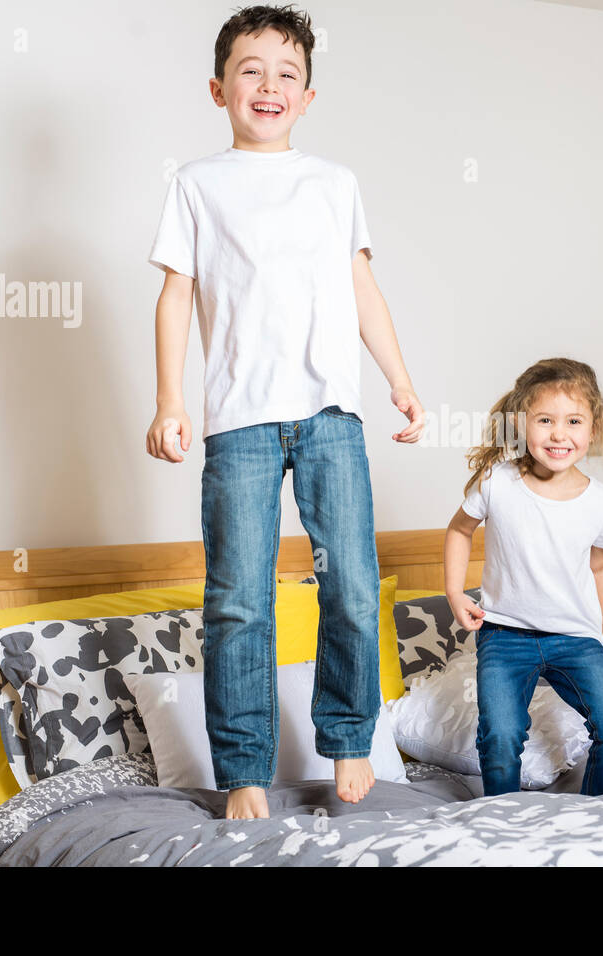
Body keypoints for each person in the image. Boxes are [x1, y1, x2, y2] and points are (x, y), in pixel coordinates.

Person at [144, 4, 424, 819]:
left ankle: (347, 741)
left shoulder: (334, 184)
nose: (269, 85)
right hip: (239, 421)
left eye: (287, 74)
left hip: (332, 411)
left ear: (307, 96)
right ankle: (241, 771)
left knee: (352, 584)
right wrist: (169, 400)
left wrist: (400, 378)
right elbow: (174, 297)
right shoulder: (195, 184)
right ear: (219, 87)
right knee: (240, 597)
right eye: (250, 71)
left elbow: (361, 290)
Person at [444, 358, 603, 797]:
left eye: (573, 421)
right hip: (505, 634)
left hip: (576, 636)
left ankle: (595, 814)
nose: (558, 434)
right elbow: (459, 530)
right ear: (520, 425)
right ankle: (503, 818)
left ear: (592, 429)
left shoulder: (600, 502)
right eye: (545, 420)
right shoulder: (496, 481)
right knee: (501, 734)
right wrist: (455, 592)